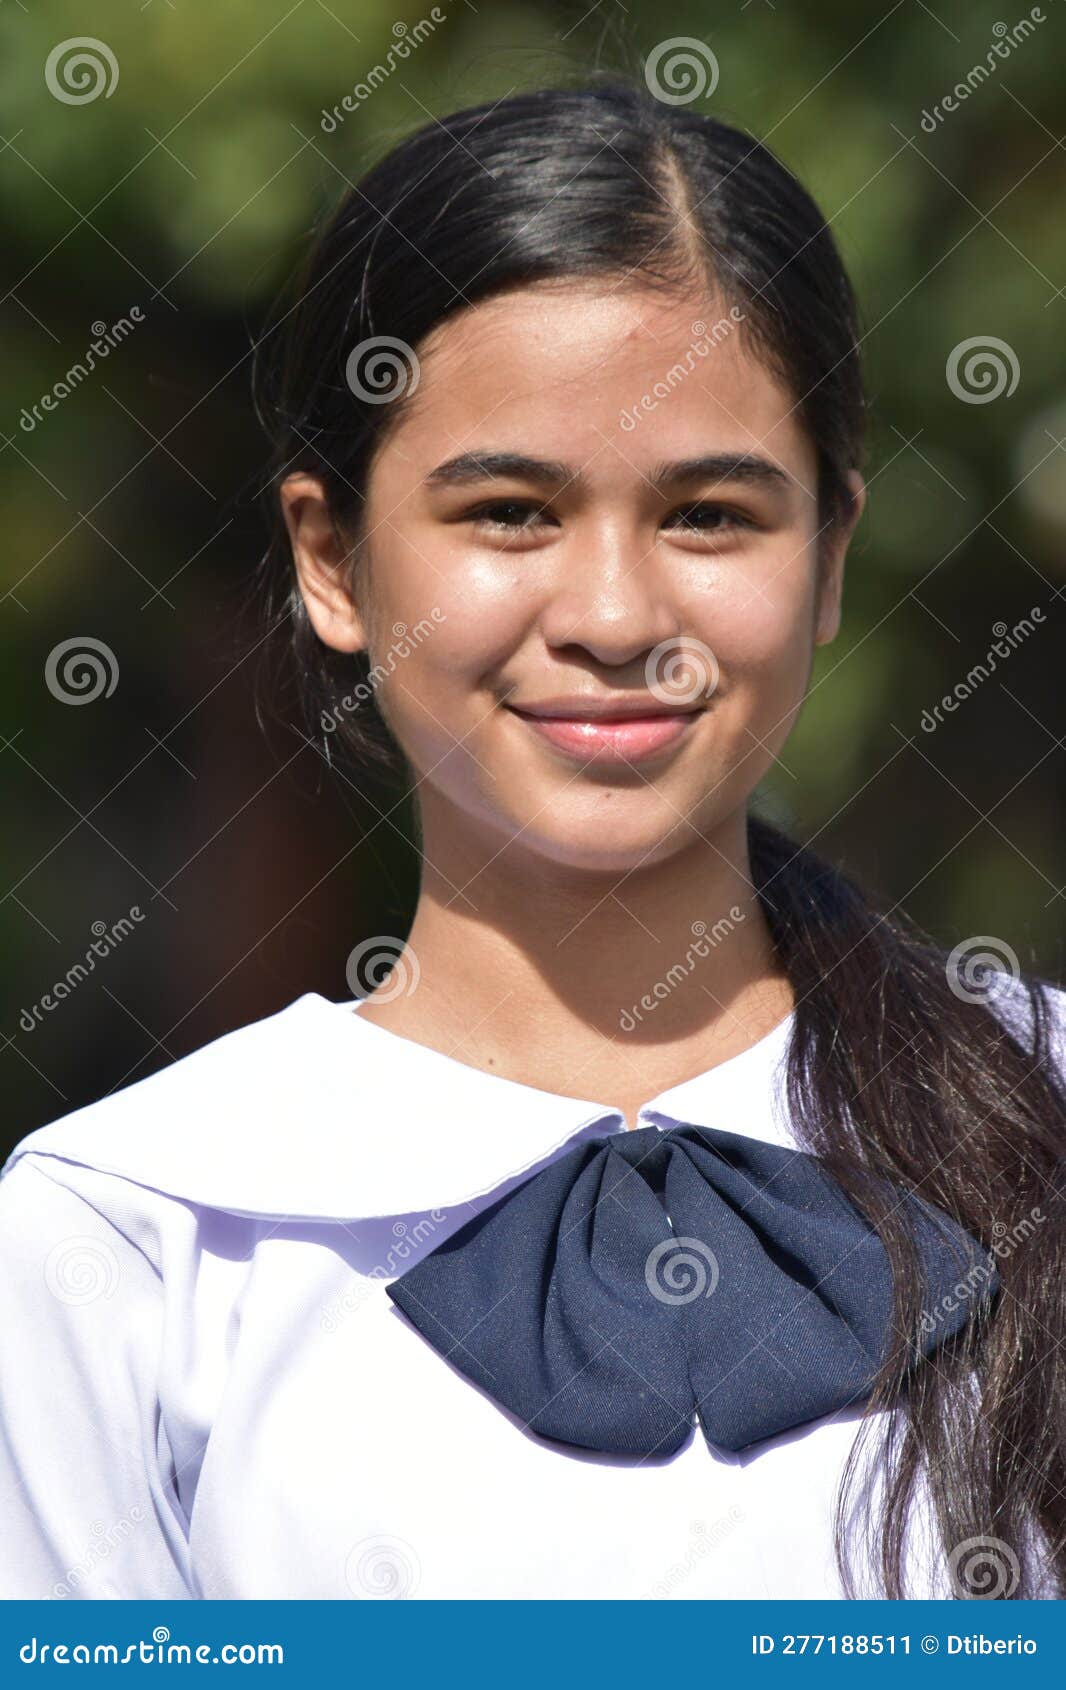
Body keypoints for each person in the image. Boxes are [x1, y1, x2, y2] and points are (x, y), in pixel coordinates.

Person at [1, 79, 1063, 1603]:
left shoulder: (1036, 1126)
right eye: (507, 512)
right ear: (333, 558)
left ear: (829, 556)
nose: (617, 617)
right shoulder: (136, 1227)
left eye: (708, 514)